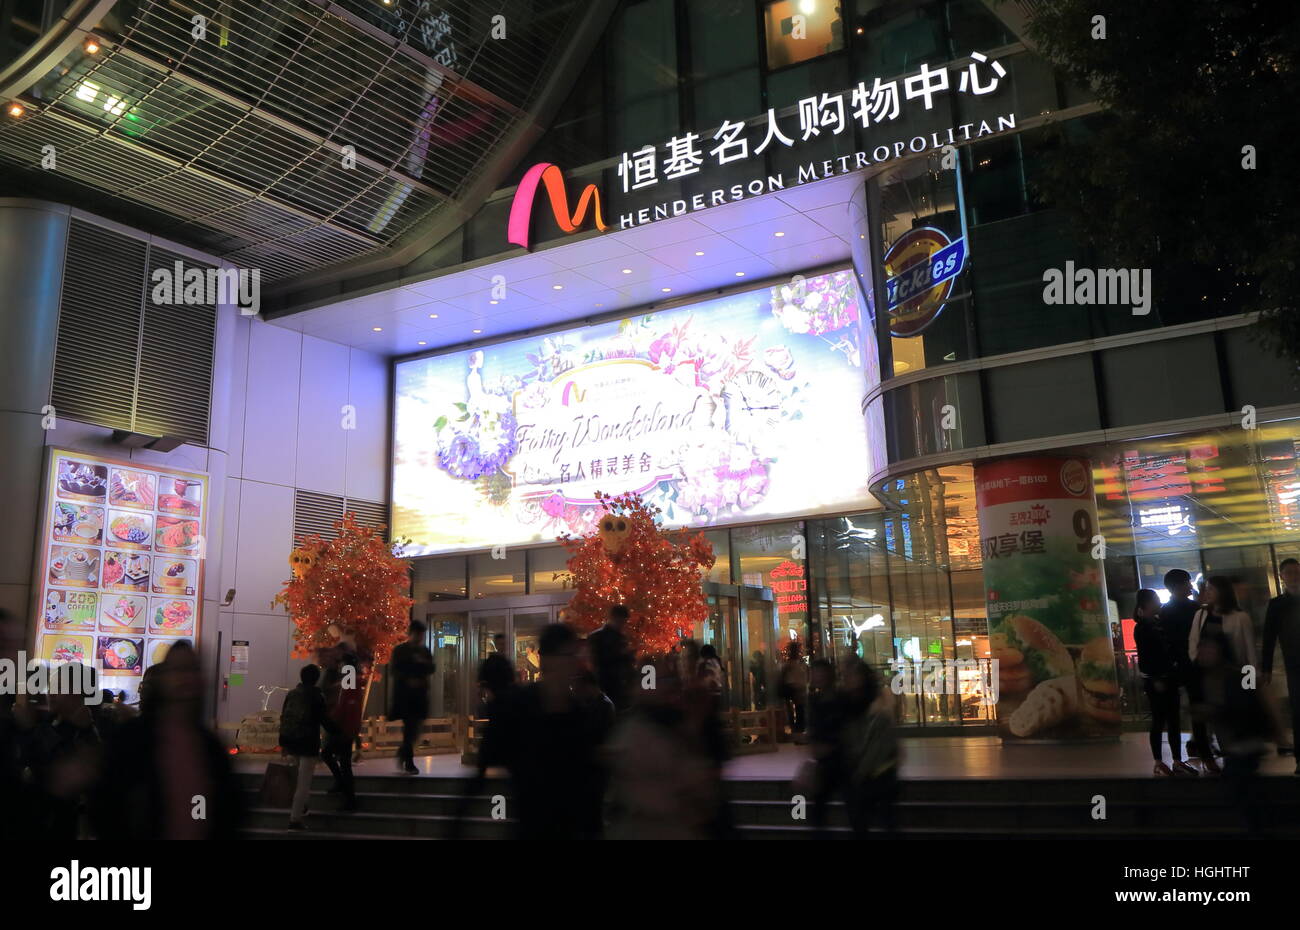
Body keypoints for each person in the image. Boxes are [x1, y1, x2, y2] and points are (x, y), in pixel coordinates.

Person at [91, 641, 242, 839]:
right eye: (178, 670)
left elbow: (221, 811)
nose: (186, 679)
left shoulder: (209, 747)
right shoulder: (132, 739)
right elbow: (107, 805)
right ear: (164, 681)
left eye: (193, 670)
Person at [481, 623, 613, 839]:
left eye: (575, 656)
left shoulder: (580, 713)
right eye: (568, 656)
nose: (574, 664)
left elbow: (588, 783)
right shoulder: (519, 707)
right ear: (548, 659)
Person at [605, 658, 718, 840]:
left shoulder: (674, 724)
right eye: (666, 681)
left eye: (673, 680)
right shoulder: (638, 732)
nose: (673, 689)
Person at [1189, 577, 1261, 775]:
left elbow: (1248, 650)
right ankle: (1222, 755)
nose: (1208, 592)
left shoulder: (1239, 617)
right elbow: (1193, 643)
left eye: (1212, 589)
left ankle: (1235, 757)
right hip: (1210, 676)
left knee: (1235, 718)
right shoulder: (1201, 615)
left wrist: (1250, 679)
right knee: (1215, 717)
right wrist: (1201, 663)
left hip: (1234, 677)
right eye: (1207, 589)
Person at [1133, 588, 1196, 777]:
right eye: (1155, 600)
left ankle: (1176, 760)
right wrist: (1155, 678)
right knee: (1160, 720)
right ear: (1146, 604)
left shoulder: (1157, 623)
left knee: (1173, 720)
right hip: (1157, 680)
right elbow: (1147, 657)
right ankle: (1159, 761)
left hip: (1168, 677)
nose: (1158, 603)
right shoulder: (1143, 627)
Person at [1159, 569, 1217, 772]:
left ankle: (1198, 750)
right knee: (1200, 708)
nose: (1190, 587)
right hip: (1194, 666)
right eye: (1187, 583)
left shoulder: (1165, 611)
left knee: (1192, 710)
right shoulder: (1194, 609)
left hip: (1180, 667)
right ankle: (1205, 750)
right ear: (1176, 586)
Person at [839, 659, 899, 837]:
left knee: (884, 821)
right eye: (845, 676)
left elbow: (881, 743)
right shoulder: (847, 704)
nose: (847, 680)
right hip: (861, 774)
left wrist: (860, 770)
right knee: (861, 822)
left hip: (879, 773)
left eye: (851, 675)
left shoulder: (878, 703)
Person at [279, 663, 338, 831]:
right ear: (316, 679)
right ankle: (295, 819)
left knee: (298, 777)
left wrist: (283, 742)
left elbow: (285, 717)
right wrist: (339, 731)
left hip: (291, 741)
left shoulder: (292, 694)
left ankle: (303, 807)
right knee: (303, 782)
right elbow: (323, 719)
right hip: (308, 743)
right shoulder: (316, 695)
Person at [1263, 557, 1300, 772]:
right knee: (1298, 710)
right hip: (1294, 665)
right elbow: (1269, 637)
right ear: (1282, 577)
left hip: (1294, 664)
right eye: (1291, 573)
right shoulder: (1276, 605)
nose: (1295, 576)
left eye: (1297, 572)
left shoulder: (1279, 604)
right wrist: (1266, 667)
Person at [320, 646, 364, 811]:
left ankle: (349, 797)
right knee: (342, 761)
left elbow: (346, 705)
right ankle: (346, 793)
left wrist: (334, 721)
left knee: (333, 758)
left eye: (342, 664)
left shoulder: (350, 681)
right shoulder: (351, 680)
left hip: (343, 728)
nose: (339, 667)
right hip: (347, 727)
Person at [389, 620, 434, 774]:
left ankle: (403, 753)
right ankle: (409, 762)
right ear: (411, 634)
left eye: (422, 634)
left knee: (415, 730)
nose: (420, 637)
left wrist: (423, 663)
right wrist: (409, 679)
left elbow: (432, 667)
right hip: (406, 696)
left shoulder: (424, 651)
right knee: (410, 728)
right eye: (418, 634)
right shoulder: (400, 650)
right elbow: (395, 670)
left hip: (420, 695)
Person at [587, 605, 634, 713]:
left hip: (613, 687)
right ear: (613, 618)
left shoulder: (618, 638)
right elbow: (597, 662)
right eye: (621, 621)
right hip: (608, 686)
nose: (622, 625)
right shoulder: (601, 637)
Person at [477, 633, 514, 717]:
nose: (502, 647)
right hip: (495, 701)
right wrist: (488, 692)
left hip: (505, 701)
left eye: (504, 644)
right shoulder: (490, 662)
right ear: (496, 645)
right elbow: (482, 679)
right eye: (501, 644)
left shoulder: (506, 662)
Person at [779, 641, 809, 739]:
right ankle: (798, 728)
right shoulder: (797, 663)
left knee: (794, 709)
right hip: (796, 688)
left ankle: (796, 728)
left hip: (792, 688)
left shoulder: (789, 663)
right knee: (799, 709)